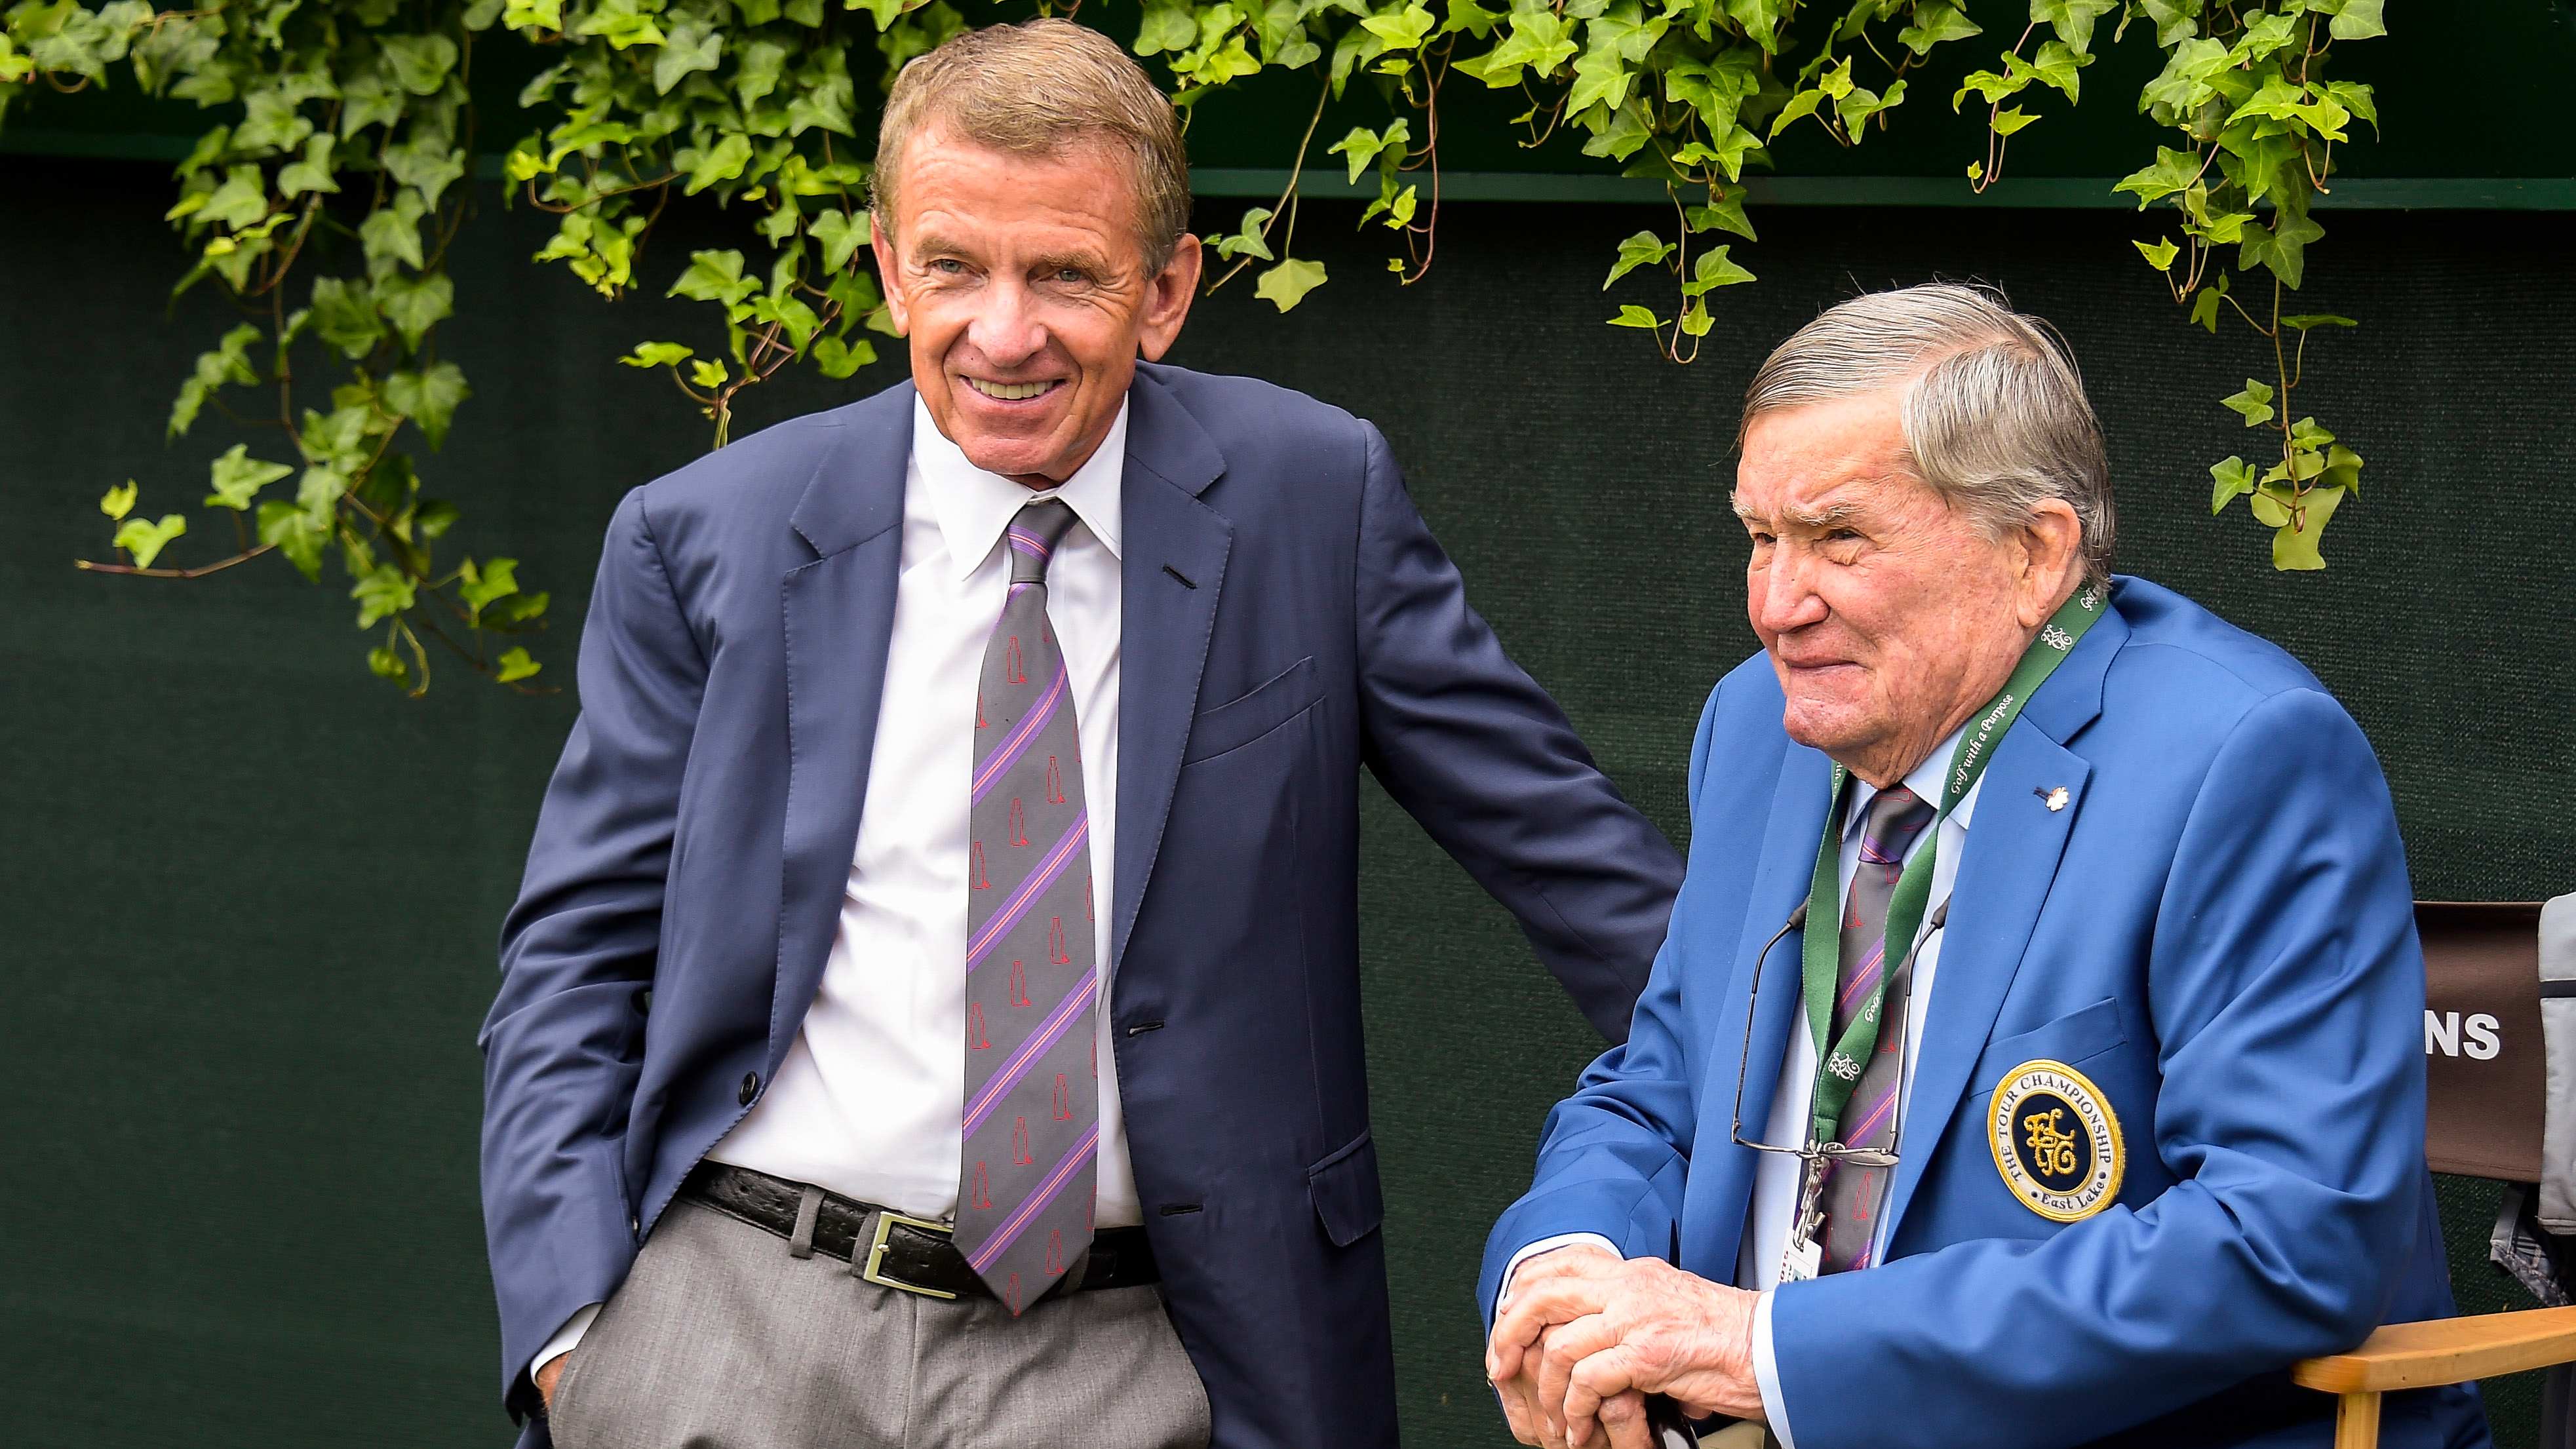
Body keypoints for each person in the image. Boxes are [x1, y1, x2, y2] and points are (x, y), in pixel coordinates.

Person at [479, 18, 1683, 1449]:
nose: (1004, 333)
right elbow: (575, 954)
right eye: (953, 268)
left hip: (1151, 1349)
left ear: (1165, 291)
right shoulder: (706, 535)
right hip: (737, 1320)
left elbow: (1572, 861)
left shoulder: (1308, 499)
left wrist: (1815, 1128)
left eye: (1064, 273)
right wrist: (575, 1337)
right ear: (889, 271)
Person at [1478, 284, 2491, 1449]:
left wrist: (1767, 1351)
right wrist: (1565, 1264)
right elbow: (1658, 1084)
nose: (1774, 607)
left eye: (1838, 538)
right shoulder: (1758, 723)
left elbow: (2286, 1237)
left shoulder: (2241, 756)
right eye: (1760, 538)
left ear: (2032, 552)